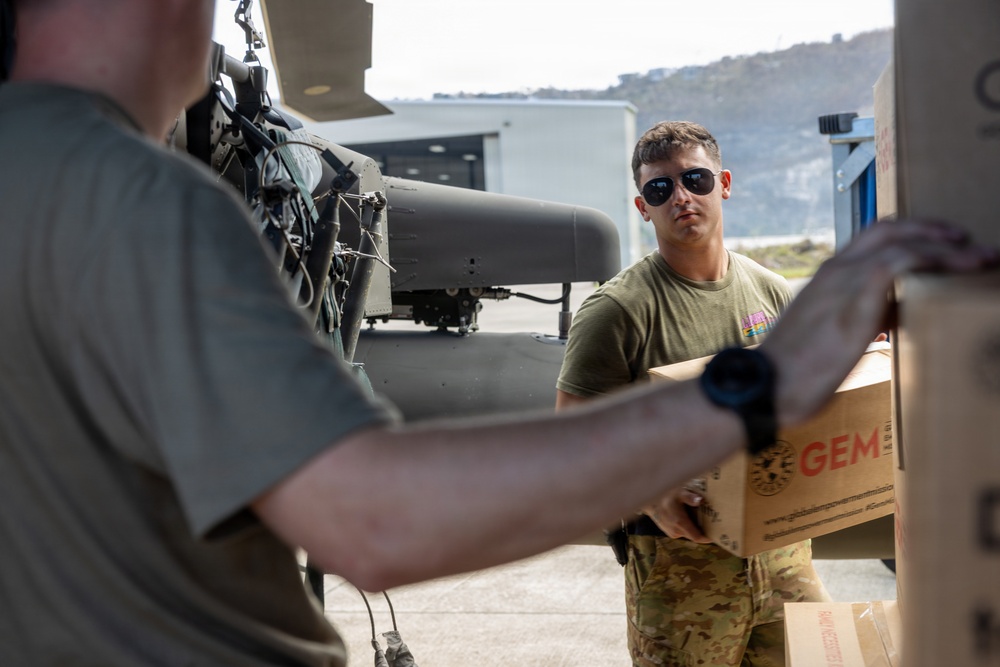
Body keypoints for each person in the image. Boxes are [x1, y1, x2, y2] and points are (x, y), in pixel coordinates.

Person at [0, 1, 997, 665]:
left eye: (695, 181)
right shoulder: (128, 192)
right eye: (662, 187)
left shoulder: (43, 179)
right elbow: (372, 517)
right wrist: (749, 392)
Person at [555, 120, 830, 666]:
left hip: (783, 555)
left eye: (695, 180)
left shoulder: (770, 291)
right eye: (661, 188)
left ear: (723, 183)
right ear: (643, 206)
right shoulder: (619, 311)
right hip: (683, 574)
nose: (681, 197)